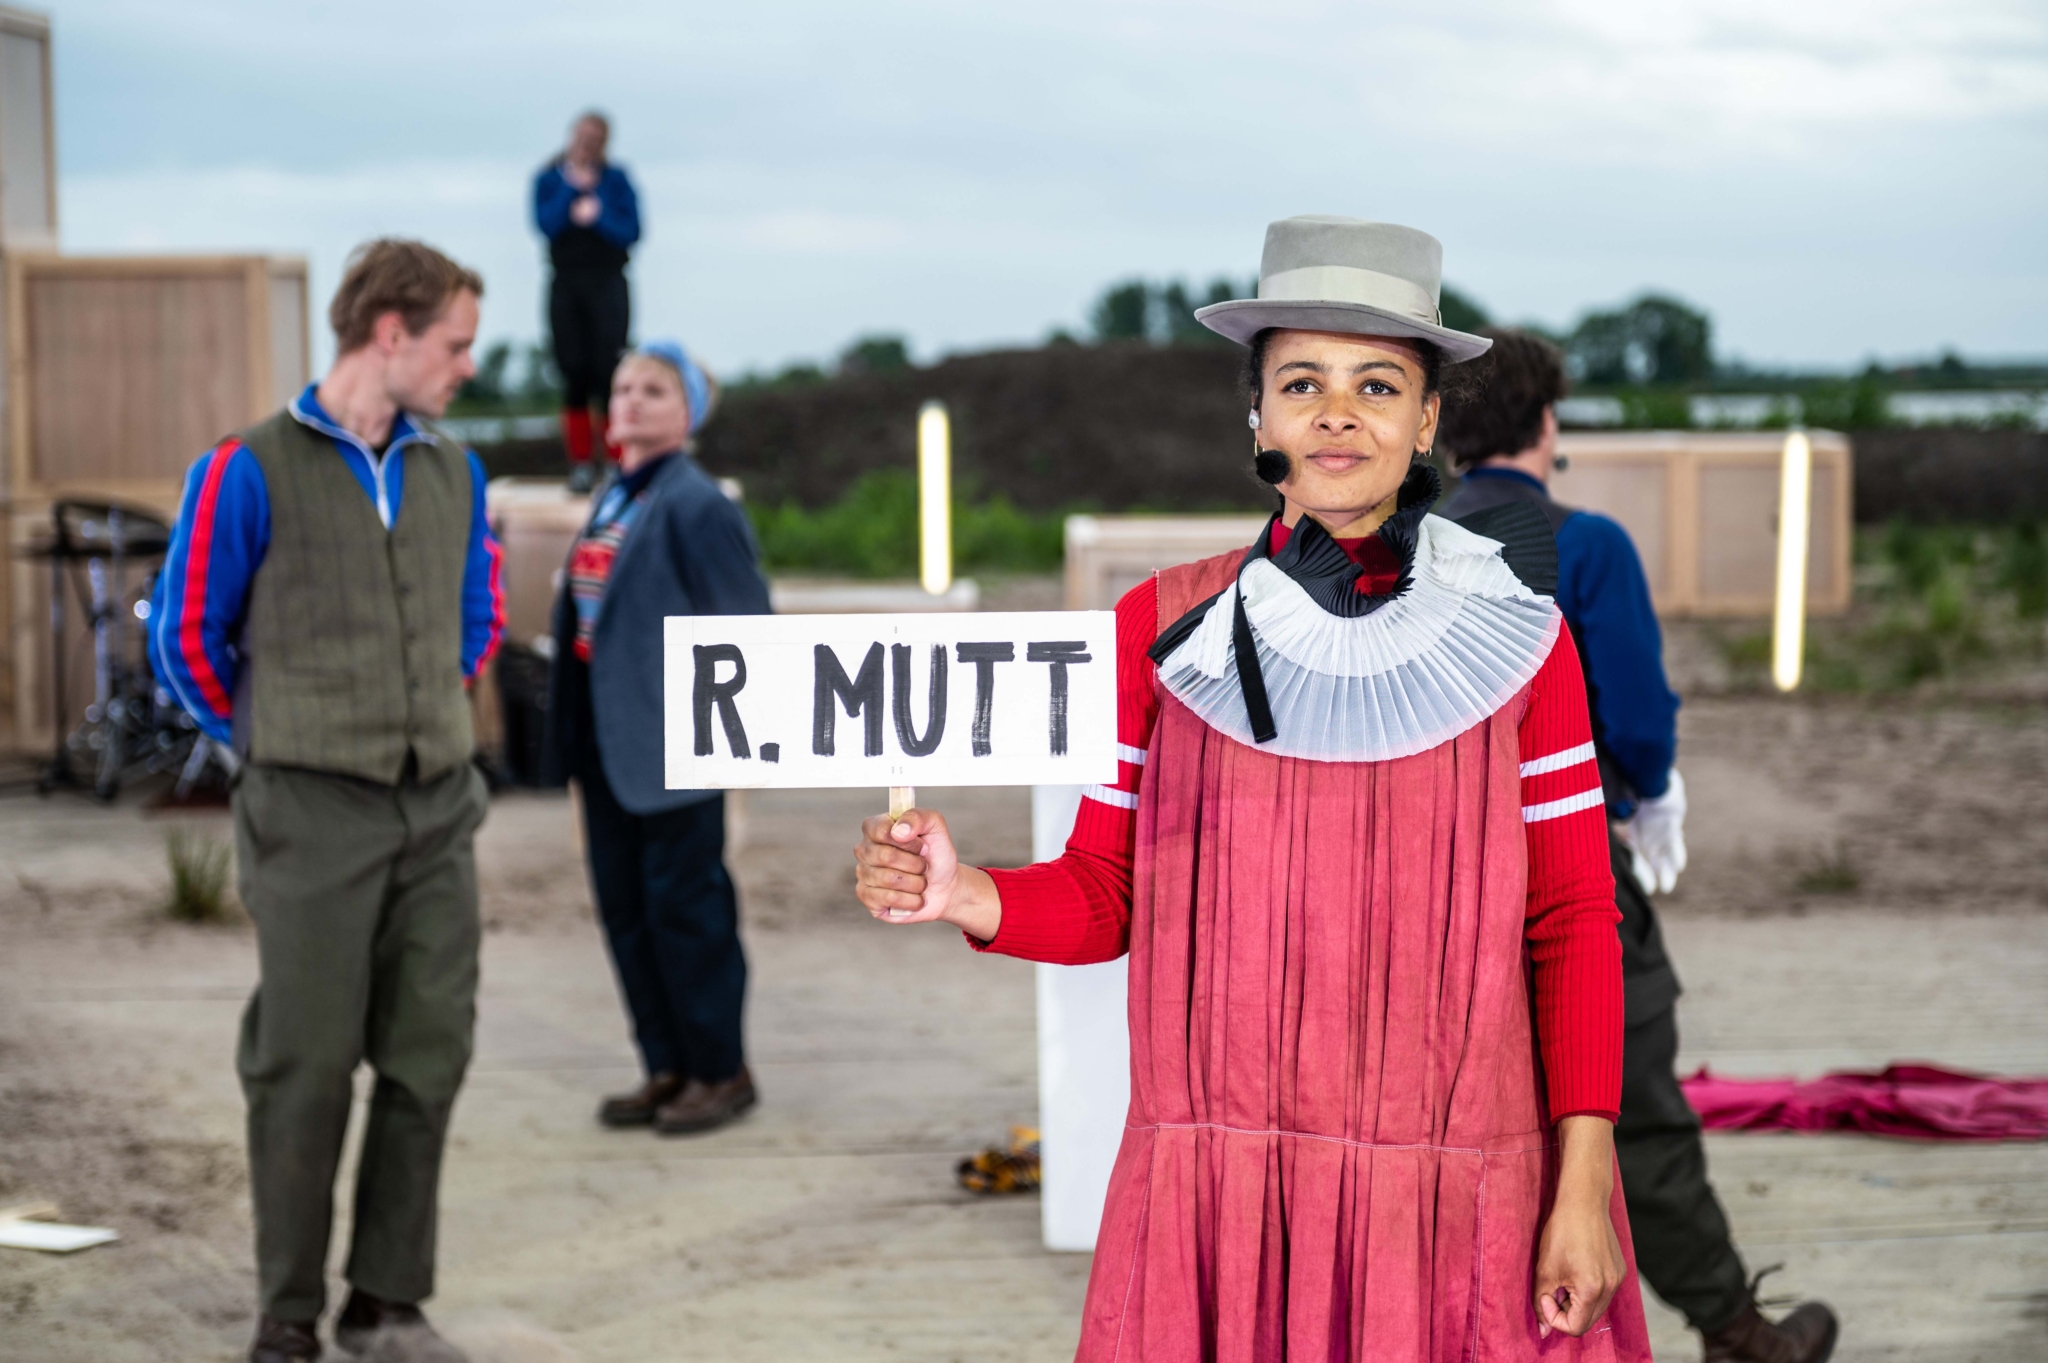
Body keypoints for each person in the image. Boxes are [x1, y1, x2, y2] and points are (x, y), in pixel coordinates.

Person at [854, 216, 1654, 1361]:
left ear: (1428, 418)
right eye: (1301, 382)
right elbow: (1100, 892)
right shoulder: (1155, 626)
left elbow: (1570, 921)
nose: (1337, 413)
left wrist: (1581, 1180)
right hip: (1220, 1194)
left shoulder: (1523, 640)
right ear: (1259, 415)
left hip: (1457, 1186)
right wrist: (963, 890)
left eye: (1377, 384)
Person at [1438, 330, 1839, 1363]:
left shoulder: (1409, 541)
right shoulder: (1586, 544)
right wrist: (1651, 797)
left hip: (1432, 870)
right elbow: (1634, 718)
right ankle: (1732, 1329)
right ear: (1544, 425)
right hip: (1565, 856)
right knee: (1628, 1095)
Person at [149, 239, 504, 1363]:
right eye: (454, 346)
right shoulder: (244, 467)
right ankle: (286, 1313)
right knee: (302, 1060)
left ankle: (387, 1301)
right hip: (309, 808)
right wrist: (273, 736)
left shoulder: (456, 471)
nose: (464, 370)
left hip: (437, 805)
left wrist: (421, 718)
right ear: (388, 333)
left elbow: (475, 617)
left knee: (428, 1052)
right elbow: (184, 635)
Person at [542, 341, 771, 1136]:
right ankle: (666, 1065)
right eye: (622, 387)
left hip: (678, 747)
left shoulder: (697, 503)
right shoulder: (616, 496)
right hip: (609, 745)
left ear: (689, 414)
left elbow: (746, 627)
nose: (630, 402)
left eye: (653, 390)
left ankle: (720, 1069)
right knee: (628, 911)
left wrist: (733, 741)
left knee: (688, 912)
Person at [532, 110, 642, 493]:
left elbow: (633, 230)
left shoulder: (618, 180)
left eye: (595, 137)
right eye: (582, 135)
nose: (586, 142)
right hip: (566, 286)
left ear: (605, 142)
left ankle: (616, 464)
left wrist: (599, 216)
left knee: (609, 374)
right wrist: (569, 192)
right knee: (573, 373)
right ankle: (580, 465)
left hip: (608, 284)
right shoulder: (547, 178)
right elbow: (544, 223)